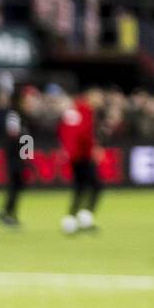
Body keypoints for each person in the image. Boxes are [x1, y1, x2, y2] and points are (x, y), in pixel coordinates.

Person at [58, 88, 104, 235]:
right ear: (90, 97)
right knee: (96, 186)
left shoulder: (73, 110)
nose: (100, 101)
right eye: (98, 97)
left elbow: (62, 131)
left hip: (73, 156)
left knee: (80, 188)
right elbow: (84, 134)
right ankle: (82, 218)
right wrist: (93, 149)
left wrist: (66, 149)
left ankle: (72, 219)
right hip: (82, 156)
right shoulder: (85, 111)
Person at [0, 86, 37, 227]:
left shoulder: (25, 117)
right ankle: (8, 213)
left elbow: (27, 139)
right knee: (15, 186)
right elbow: (14, 136)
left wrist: (28, 157)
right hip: (15, 157)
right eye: (29, 100)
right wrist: (24, 155)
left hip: (21, 157)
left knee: (19, 186)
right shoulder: (14, 115)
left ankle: (7, 212)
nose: (31, 103)